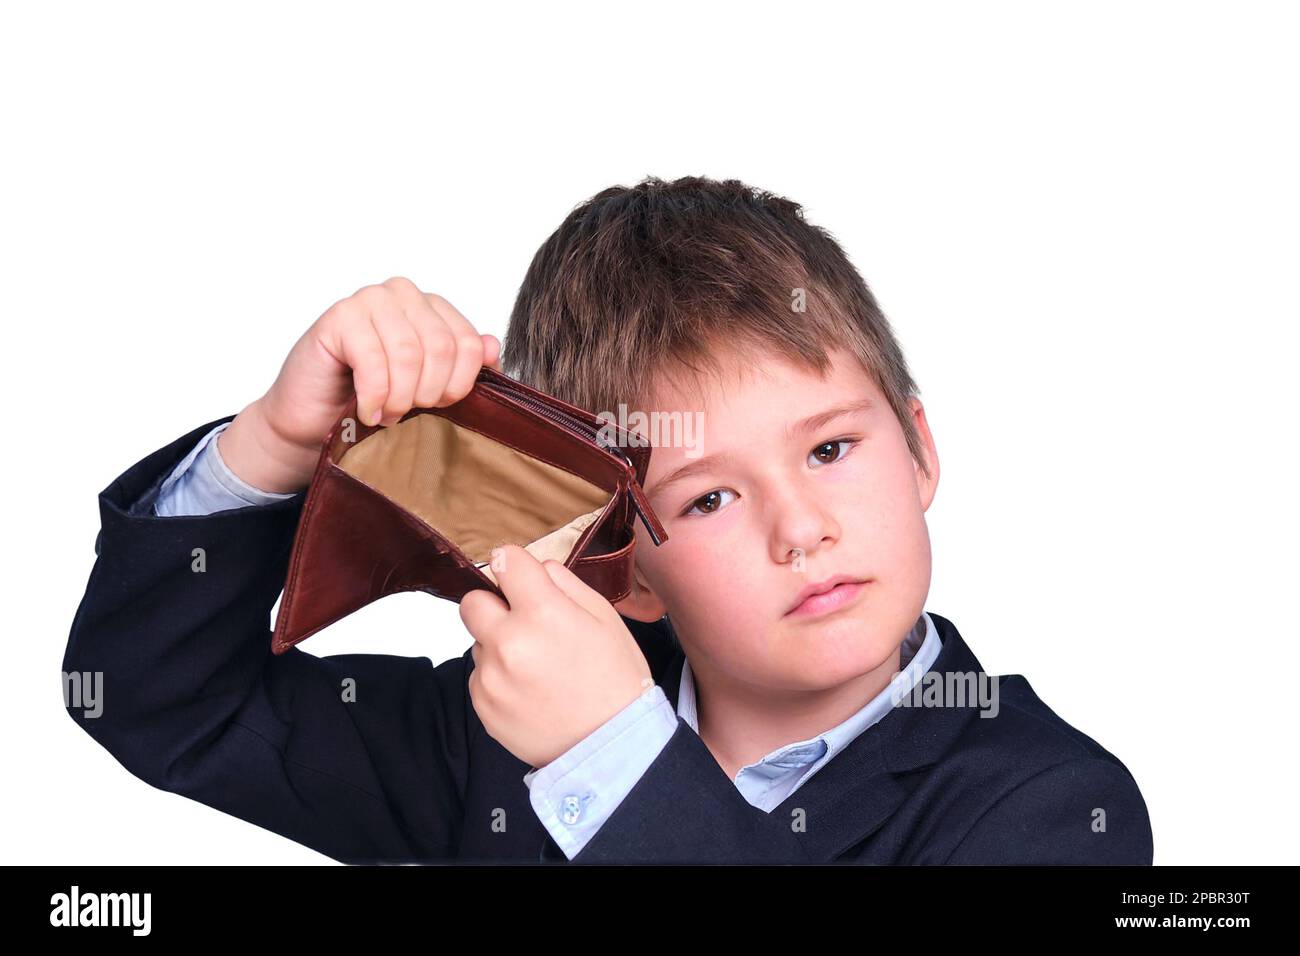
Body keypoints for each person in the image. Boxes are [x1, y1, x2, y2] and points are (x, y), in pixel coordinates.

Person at [62, 175, 1153, 864]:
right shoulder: (491, 739)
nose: (801, 527)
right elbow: (161, 701)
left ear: (918, 446)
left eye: (829, 448)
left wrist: (619, 759)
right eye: (709, 496)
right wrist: (277, 443)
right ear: (623, 572)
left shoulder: (1053, 807)